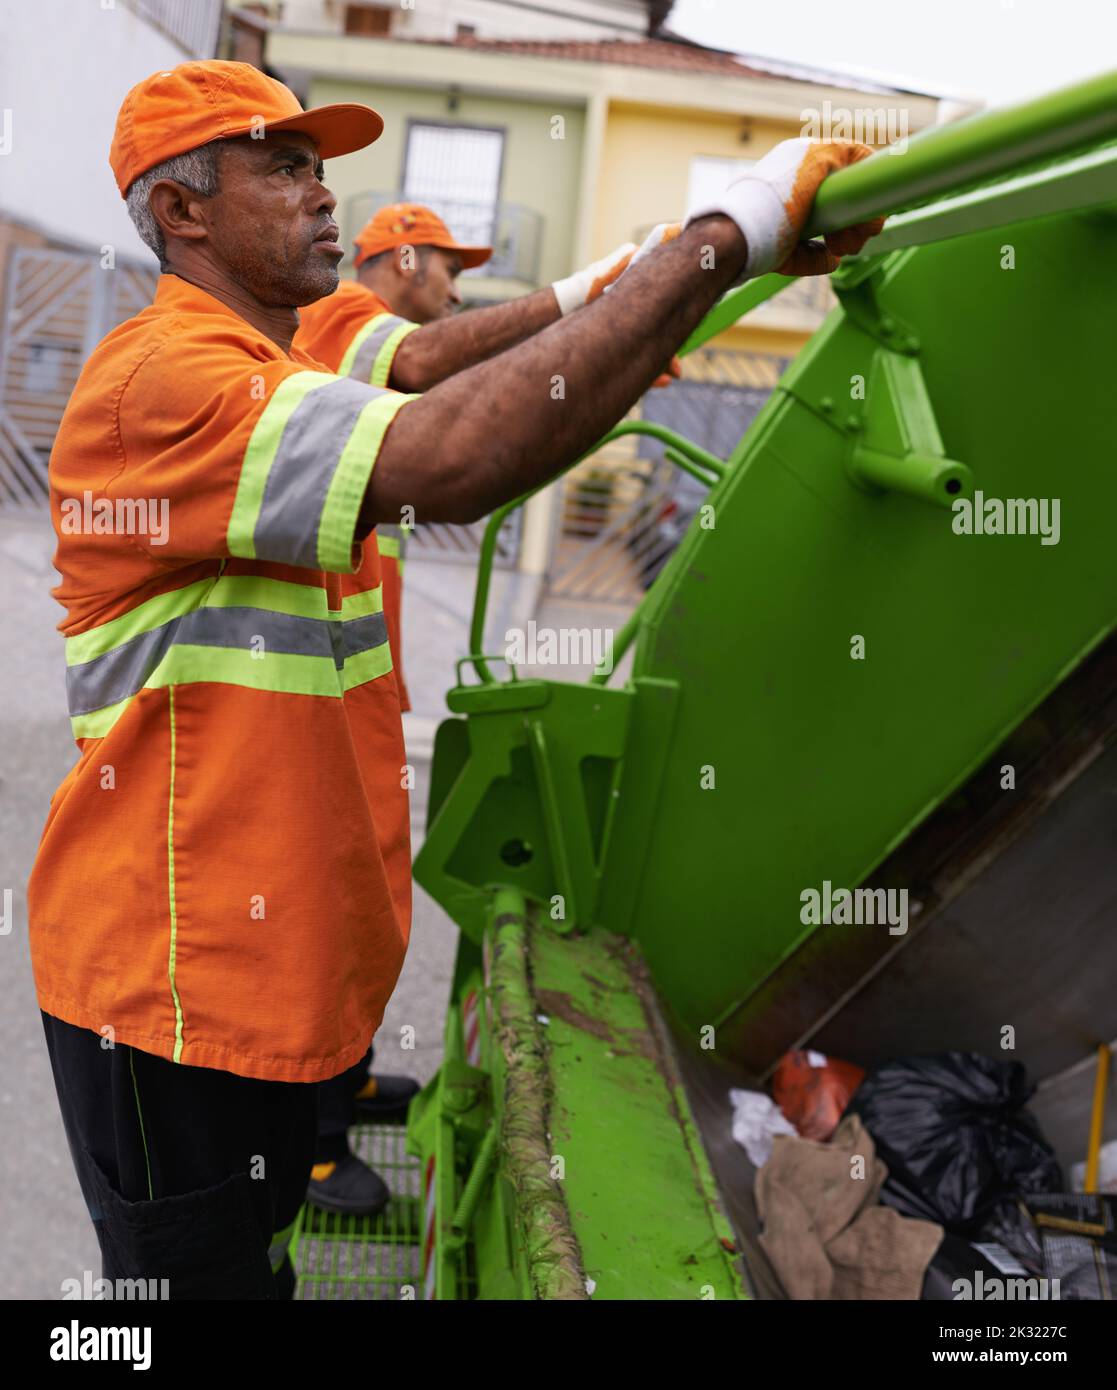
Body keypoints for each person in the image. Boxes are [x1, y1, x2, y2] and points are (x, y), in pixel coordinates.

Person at [28, 58, 883, 1298]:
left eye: (322, 166)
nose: (324, 194)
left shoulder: (275, 366)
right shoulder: (163, 379)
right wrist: (723, 236)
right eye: (282, 165)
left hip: (242, 979)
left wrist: (668, 276)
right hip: (169, 989)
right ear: (181, 212)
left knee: (250, 1268)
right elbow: (464, 441)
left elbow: (464, 377)